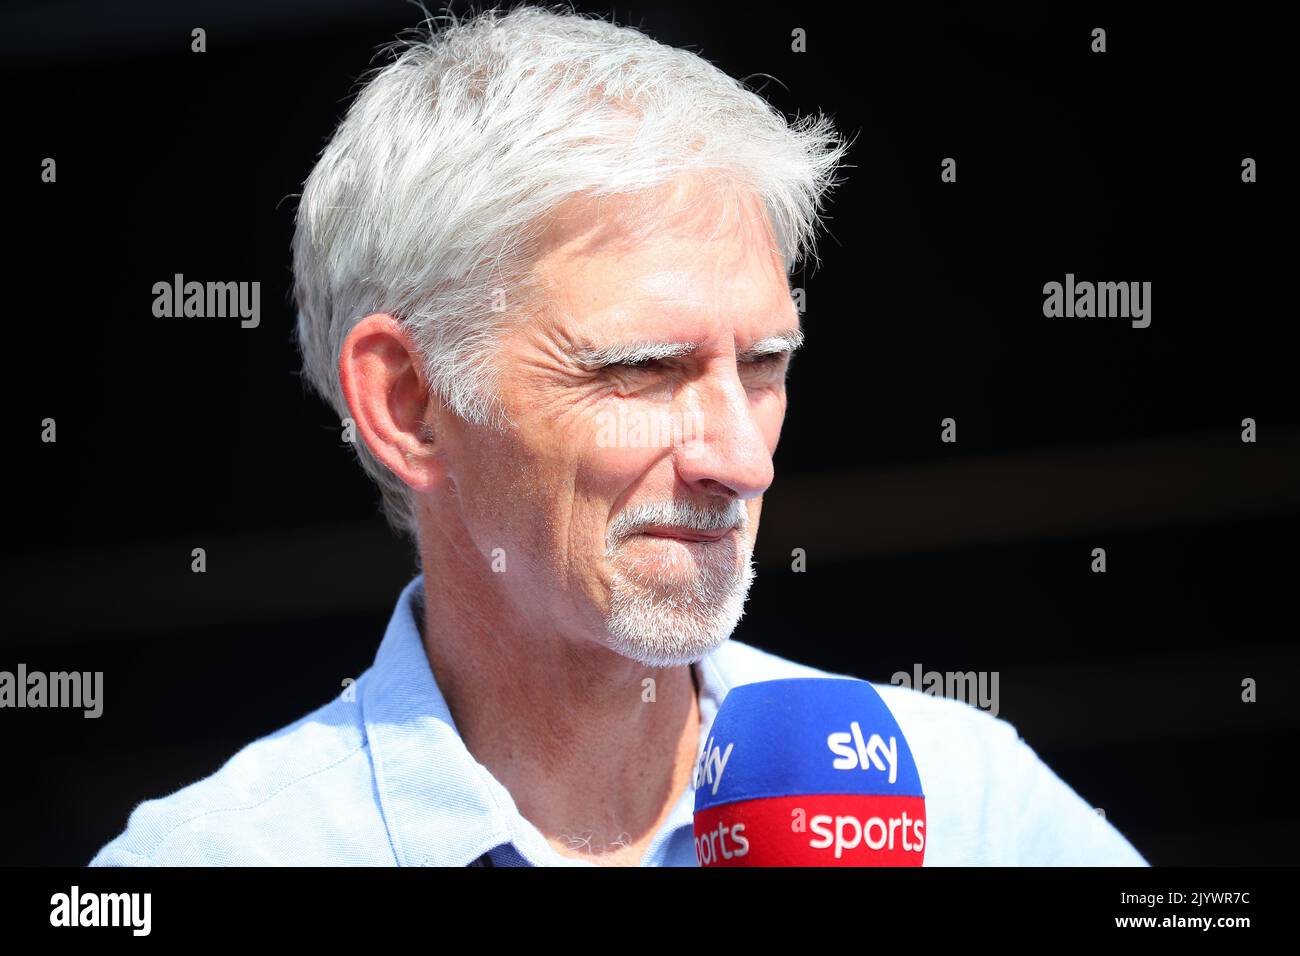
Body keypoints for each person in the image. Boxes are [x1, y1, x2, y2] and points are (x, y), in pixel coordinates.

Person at [90, 6, 1146, 867]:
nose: (741, 460)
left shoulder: (965, 806)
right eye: (643, 369)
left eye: (766, 365)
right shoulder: (206, 860)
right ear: (409, 403)